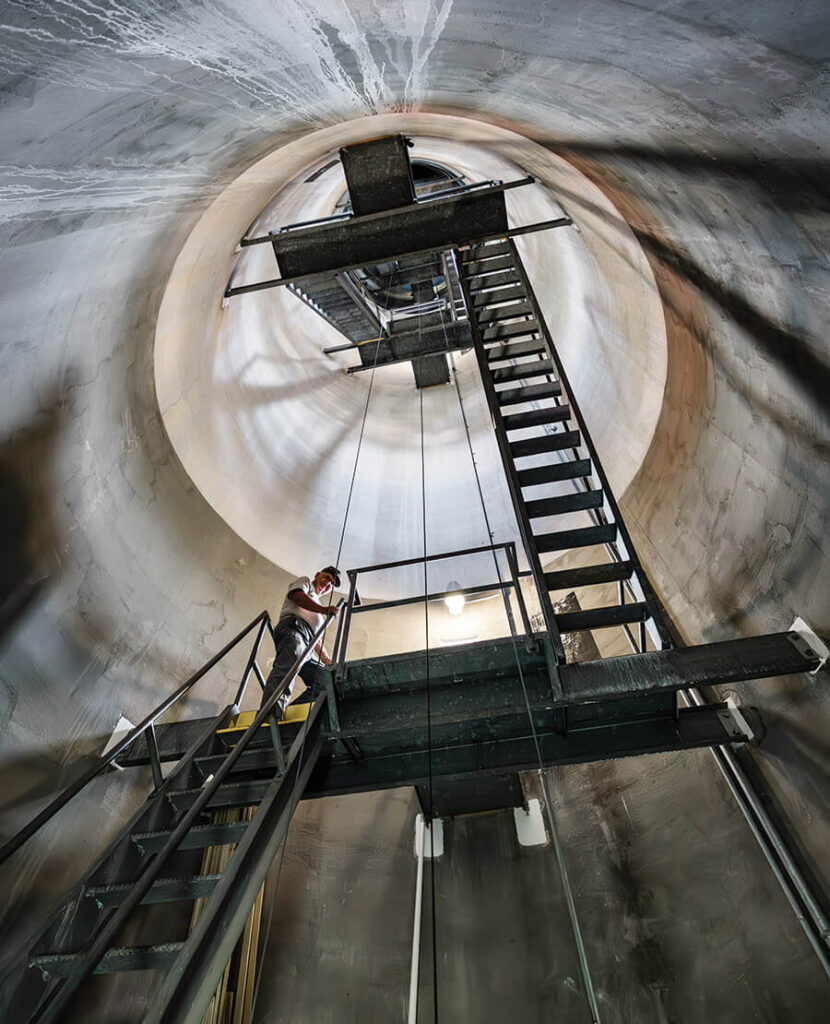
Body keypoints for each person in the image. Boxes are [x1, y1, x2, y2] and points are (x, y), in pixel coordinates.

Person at [262, 566, 341, 717]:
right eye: (326, 577)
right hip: (294, 629)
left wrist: (327, 660)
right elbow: (296, 596)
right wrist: (324, 610)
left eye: (331, 583)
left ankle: (288, 714)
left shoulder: (318, 609)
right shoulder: (306, 583)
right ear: (317, 575)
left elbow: (317, 640)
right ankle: (269, 716)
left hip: (308, 645)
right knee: (287, 670)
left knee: (325, 680)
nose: (328, 583)